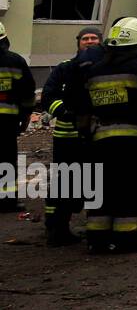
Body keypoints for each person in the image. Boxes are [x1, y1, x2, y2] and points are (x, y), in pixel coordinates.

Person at [74, 17, 137, 253]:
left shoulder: (93, 71)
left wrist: (85, 135)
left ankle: (97, 239)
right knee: (131, 189)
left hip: (99, 143)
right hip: (133, 142)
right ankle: (127, 238)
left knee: (103, 189)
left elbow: (82, 109)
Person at [39, 27, 101, 242]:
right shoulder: (64, 69)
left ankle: (95, 226)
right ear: (78, 42)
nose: (90, 42)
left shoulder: (104, 69)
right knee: (64, 181)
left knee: (95, 180)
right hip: (67, 136)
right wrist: (63, 111)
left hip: (96, 136)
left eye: (94, 38)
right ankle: (56, 227)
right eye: (86, 38)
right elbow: (48, 95)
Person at [0, 23, 37, 214]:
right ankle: (6, 202)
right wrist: (25, 115)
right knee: (6, 160)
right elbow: (28, 92)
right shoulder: (15, 61)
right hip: (6, 122)